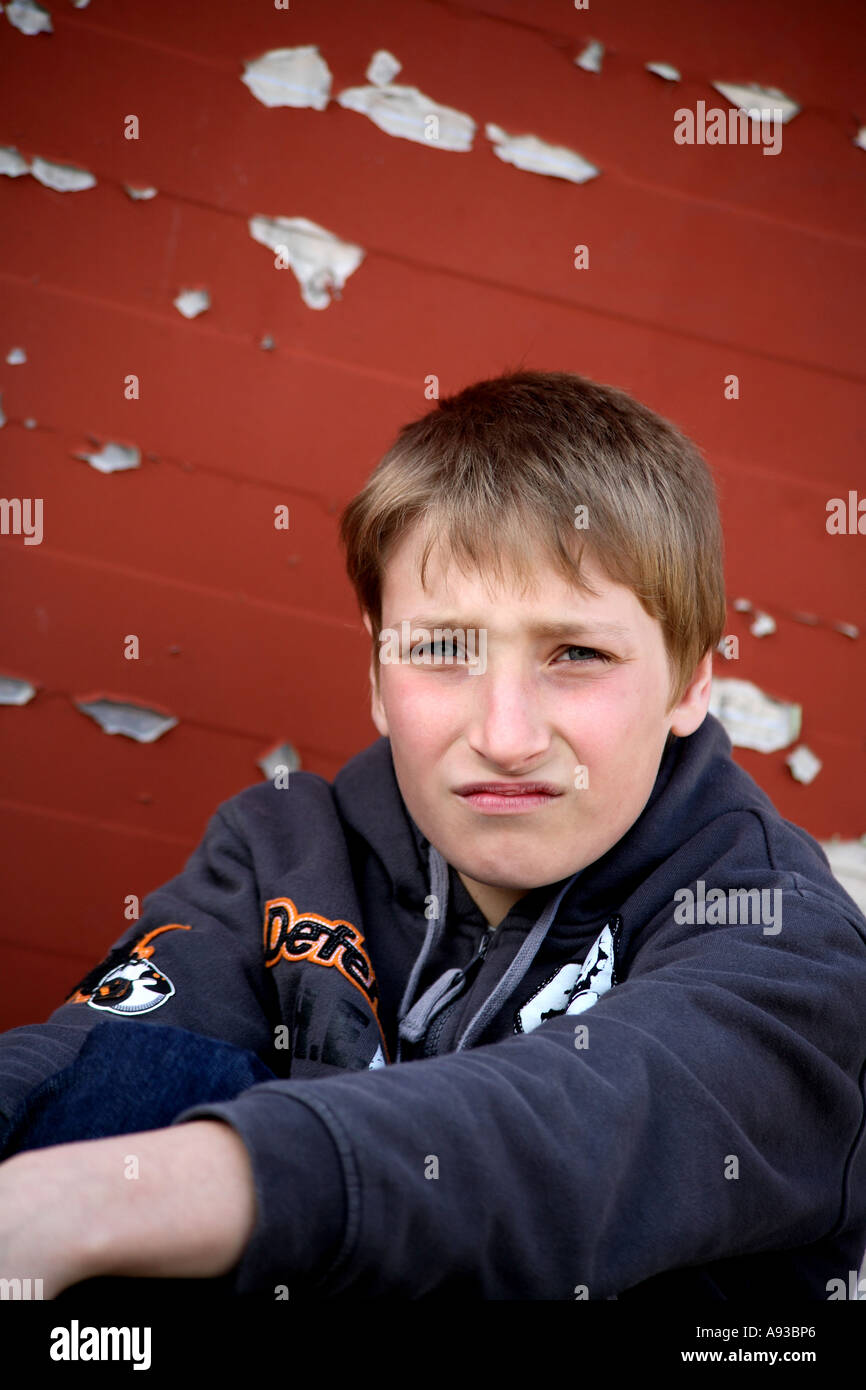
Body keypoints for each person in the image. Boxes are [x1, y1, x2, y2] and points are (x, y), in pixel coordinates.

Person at [1, 369, 865, 1301]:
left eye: (577, 654)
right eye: (441, 650)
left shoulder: (780, 932)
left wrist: (113, 1199)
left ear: (693, 681)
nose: (504, 735)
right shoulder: (278, 852)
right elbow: (82, 1060)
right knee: (128, 1081)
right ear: (376, 672)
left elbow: (591, 1134)